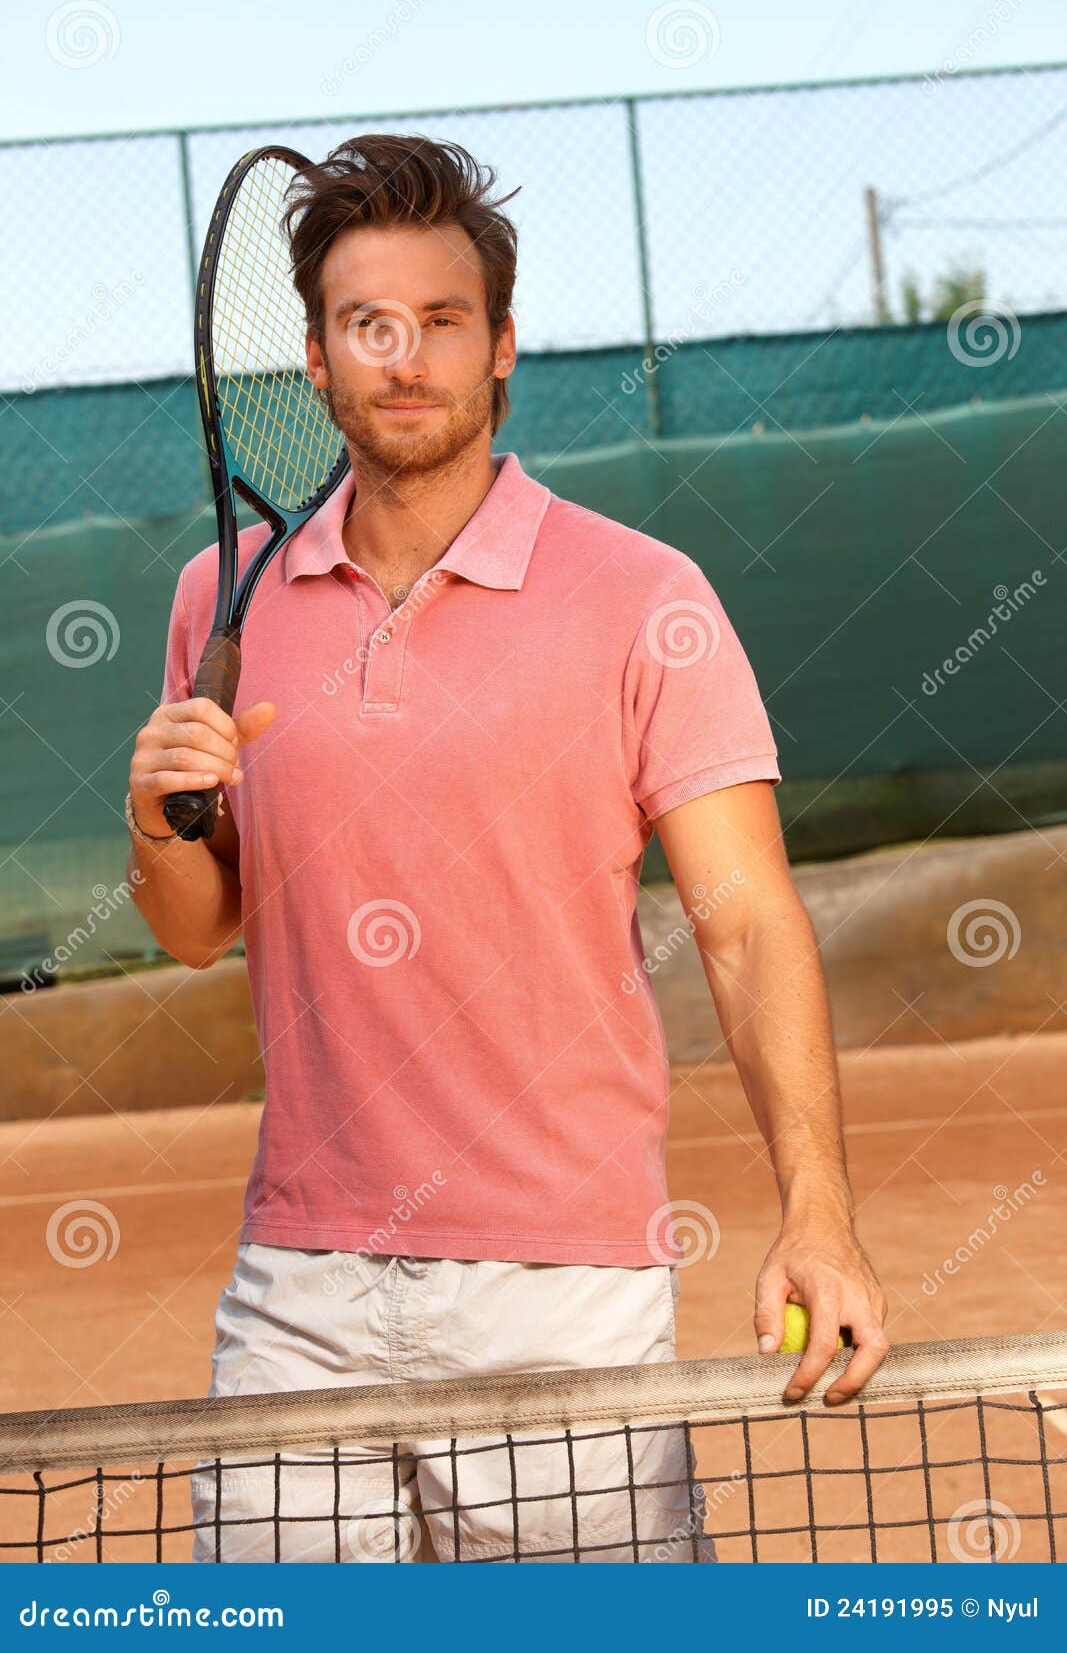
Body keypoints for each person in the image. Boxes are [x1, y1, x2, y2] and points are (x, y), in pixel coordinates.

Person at [127, 135, 887, 1562]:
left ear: (503, 349)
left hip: (564, 1283)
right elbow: (194, 922)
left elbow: (747, 922)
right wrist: (153, 816)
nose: (403, 357)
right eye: (367, 324)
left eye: (441, 320)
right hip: (299, 1284)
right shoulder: (218, 601)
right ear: (313, 358)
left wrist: (819, 1215)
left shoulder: (642, 596)